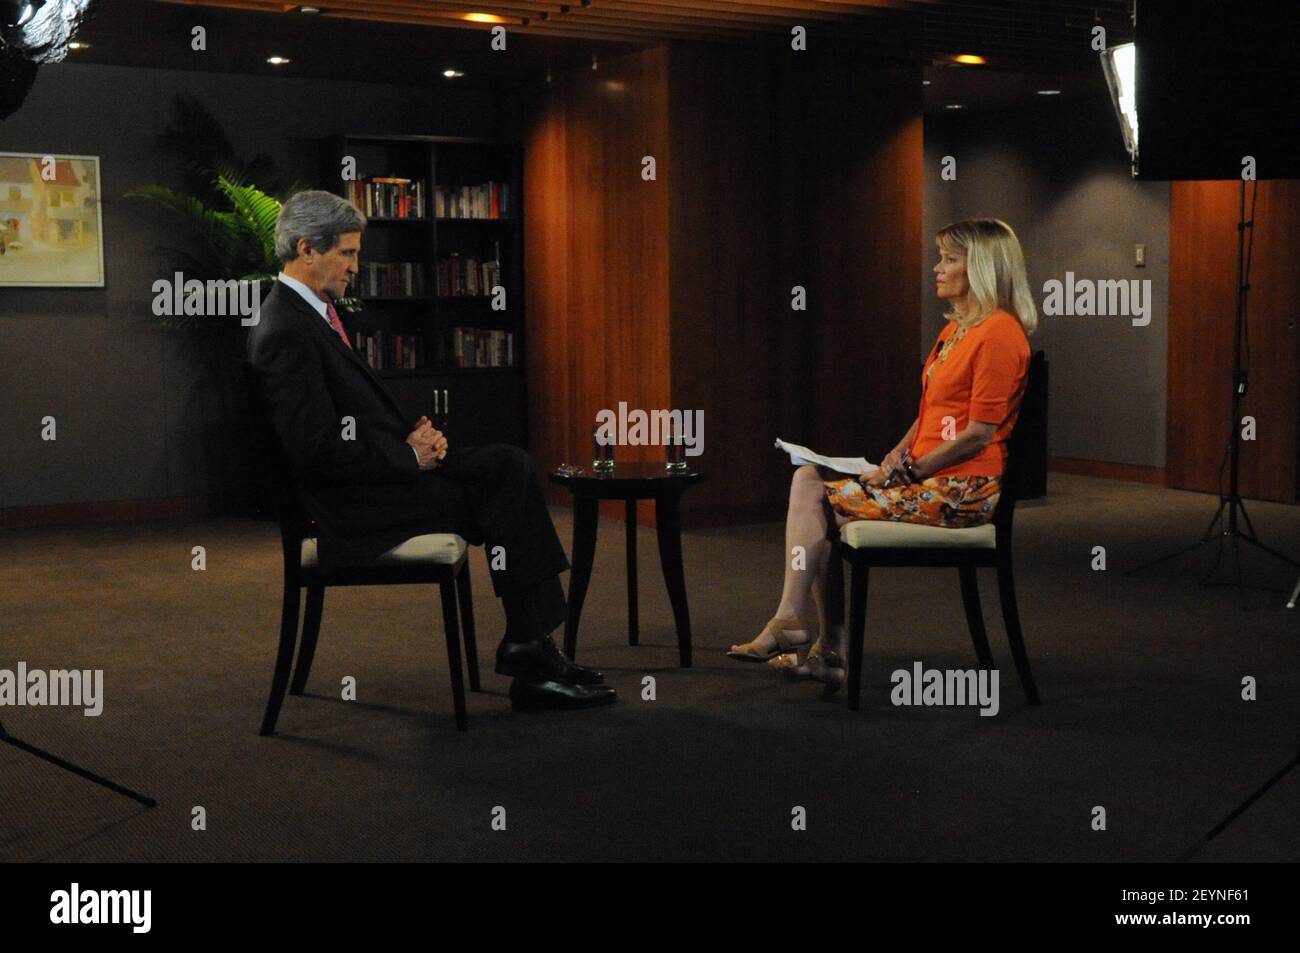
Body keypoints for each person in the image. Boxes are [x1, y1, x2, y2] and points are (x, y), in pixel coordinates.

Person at [247, 190, 616, 711]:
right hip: (350, 509)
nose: (357, 266)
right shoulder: (284, 329)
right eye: (348, 254)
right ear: (307, 249)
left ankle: (531, 648)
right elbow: (316, 451)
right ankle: (531, 656)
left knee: (509, 464)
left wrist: (412, 438)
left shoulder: (311, 313)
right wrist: (409, 457)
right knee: (503, 494)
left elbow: (349, 419)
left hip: (379, 474)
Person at [727, 218, 1037, 692]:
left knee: (815, 495)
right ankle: (824, 648)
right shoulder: (957, 331)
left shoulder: (999, 334)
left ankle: (798, 624)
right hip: (932, 479)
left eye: (950, 259)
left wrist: (908, 473)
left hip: (963, 492)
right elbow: (932, 412)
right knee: (809, 477)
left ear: (981, 268)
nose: (937, 268)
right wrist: (894, 458)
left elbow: (978, 433)